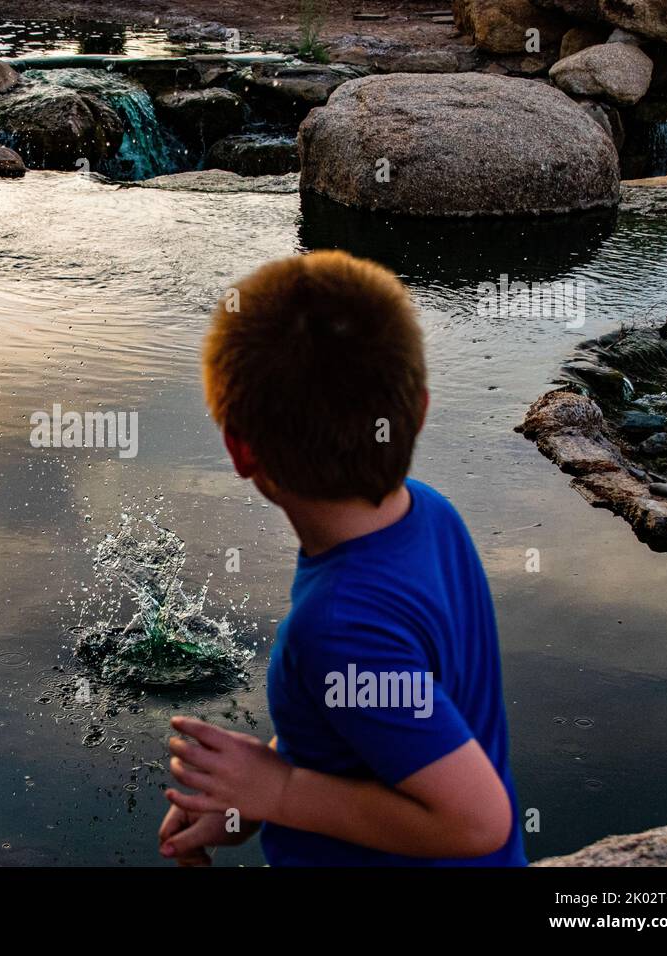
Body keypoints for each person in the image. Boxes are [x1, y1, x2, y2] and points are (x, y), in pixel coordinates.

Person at [159, 251, 525, 866]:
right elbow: (359, 714)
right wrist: (250, 795)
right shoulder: (431, 515)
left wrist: (278, 789)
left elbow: (475, 820)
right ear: (421, 411)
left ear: (241, 450)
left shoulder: (335, 624)